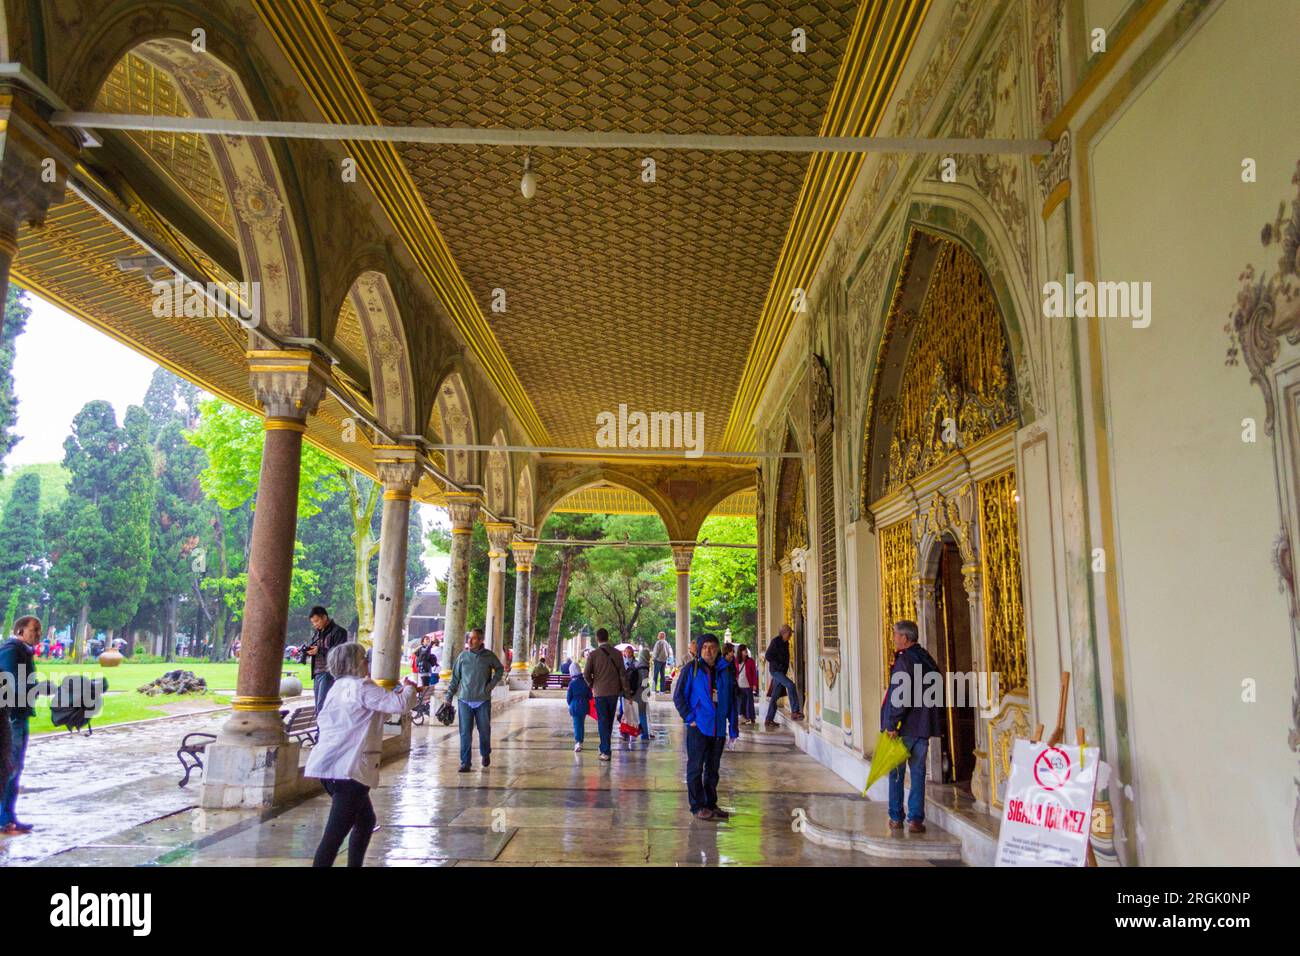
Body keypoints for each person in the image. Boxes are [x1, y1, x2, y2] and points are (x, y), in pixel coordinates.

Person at [306, 642, 418, 866]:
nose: (367, 662)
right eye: (363, 658)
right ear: (353, 663)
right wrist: (409, 687)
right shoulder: (363, 687)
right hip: (350, 771)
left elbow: (372, 715)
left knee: (366, 821)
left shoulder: (337, 687)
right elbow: (401, 704)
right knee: (333, 837)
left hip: (329, 768)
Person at [882, 620, 944, 833]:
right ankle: (916, 820)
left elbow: (900, 696)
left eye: (895, 635)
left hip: (903, 728)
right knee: (918, 773)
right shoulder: (926, 658)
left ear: (905, 639)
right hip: (922, 727)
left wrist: (892, 723)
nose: (894, 638)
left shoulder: (905, 661)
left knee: (897, 773)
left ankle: (896, 817)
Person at [672, 634, 739, 821]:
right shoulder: (691, 669)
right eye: (705, 647)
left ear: (718, 649)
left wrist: (733, 727)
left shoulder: (726, 670)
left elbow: (732, 700)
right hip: (698, 727)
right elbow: (679, 697)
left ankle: (710, 803)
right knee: (695, 767)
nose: (708, 650)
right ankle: (697, 806)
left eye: (712, 647)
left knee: (713, 769)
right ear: (700, 650)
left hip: (718, 727)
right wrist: (690, 717)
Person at [0, 616, 43, 835]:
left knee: (16, 768)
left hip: (20, 715)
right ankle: (4, 817)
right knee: (9, 766)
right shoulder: (11, 650)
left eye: (39, 630)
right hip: (12, 717)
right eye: (34, 630)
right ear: (19, 631)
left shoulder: (22, 650)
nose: (38, 634)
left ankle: (9, 816)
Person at [445, 628, 504, 772]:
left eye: (474, 638)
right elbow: (455, 679)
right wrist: (448, 697)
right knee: (465, 732)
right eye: (469, 638)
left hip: (482, 700)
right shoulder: (462, 657)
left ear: (481, 640)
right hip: (464, 699)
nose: (470, 641)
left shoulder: (489, 656)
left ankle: (485, 753)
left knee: (484, 730)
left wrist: (490, 686)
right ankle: (465, 762)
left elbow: (500, 669)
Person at [582, 628, 631, 761]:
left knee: (603, 720)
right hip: (614, 692)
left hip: (600, 693)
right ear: (608, 637)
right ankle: (604, 745)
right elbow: (623, 675)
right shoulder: (617, 654)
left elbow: (586, 674)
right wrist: (627, 693)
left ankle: (605, 750)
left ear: (597, 639)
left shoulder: (593, 654)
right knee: (608, 720)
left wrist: (592, 685)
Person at [306, 606, 349, 711]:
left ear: (324, 617)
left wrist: (320, 650)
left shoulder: (339, 631)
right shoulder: (317, 633)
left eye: (317, 621)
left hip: (329, 672)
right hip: (317, 673)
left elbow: (339, 653)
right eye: (313, 622)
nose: (315, 624)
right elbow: (317, 649)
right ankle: (319, 727)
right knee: (318, 706)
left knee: (323, 706)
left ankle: (323, 727)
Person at [763, 624, 805, 727]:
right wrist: (778, 665)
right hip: (776, 671)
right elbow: (768, 656)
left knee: (775, 696)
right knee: (791, 685)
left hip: (781, 671)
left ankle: (769, 719)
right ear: (784, 633)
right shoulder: (775, 642)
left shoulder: (785, 643)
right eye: (789, 634)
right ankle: (795, 711)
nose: (790, 636)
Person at [566, 660, 591, 752]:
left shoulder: (572, 683)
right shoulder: (585, 682)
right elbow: (590, 695)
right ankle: (581, 741)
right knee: (581, 724)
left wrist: (571, 704)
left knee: (577, 724)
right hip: (584, 705)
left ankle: (578, 742)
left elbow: (568, 698)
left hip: (575, 705)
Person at [734, 644, 758, 725]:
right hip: (739, 686)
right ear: (740, 651)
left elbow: (754, 673)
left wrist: (754, 684)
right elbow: (735, 673)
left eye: (746, 650)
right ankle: (742, 717)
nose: (746, 651)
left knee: (749, 702)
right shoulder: (736, 661)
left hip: (748, 685)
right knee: (741, 703)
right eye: (744, 650)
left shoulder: (750, 661)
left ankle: (751, 717)